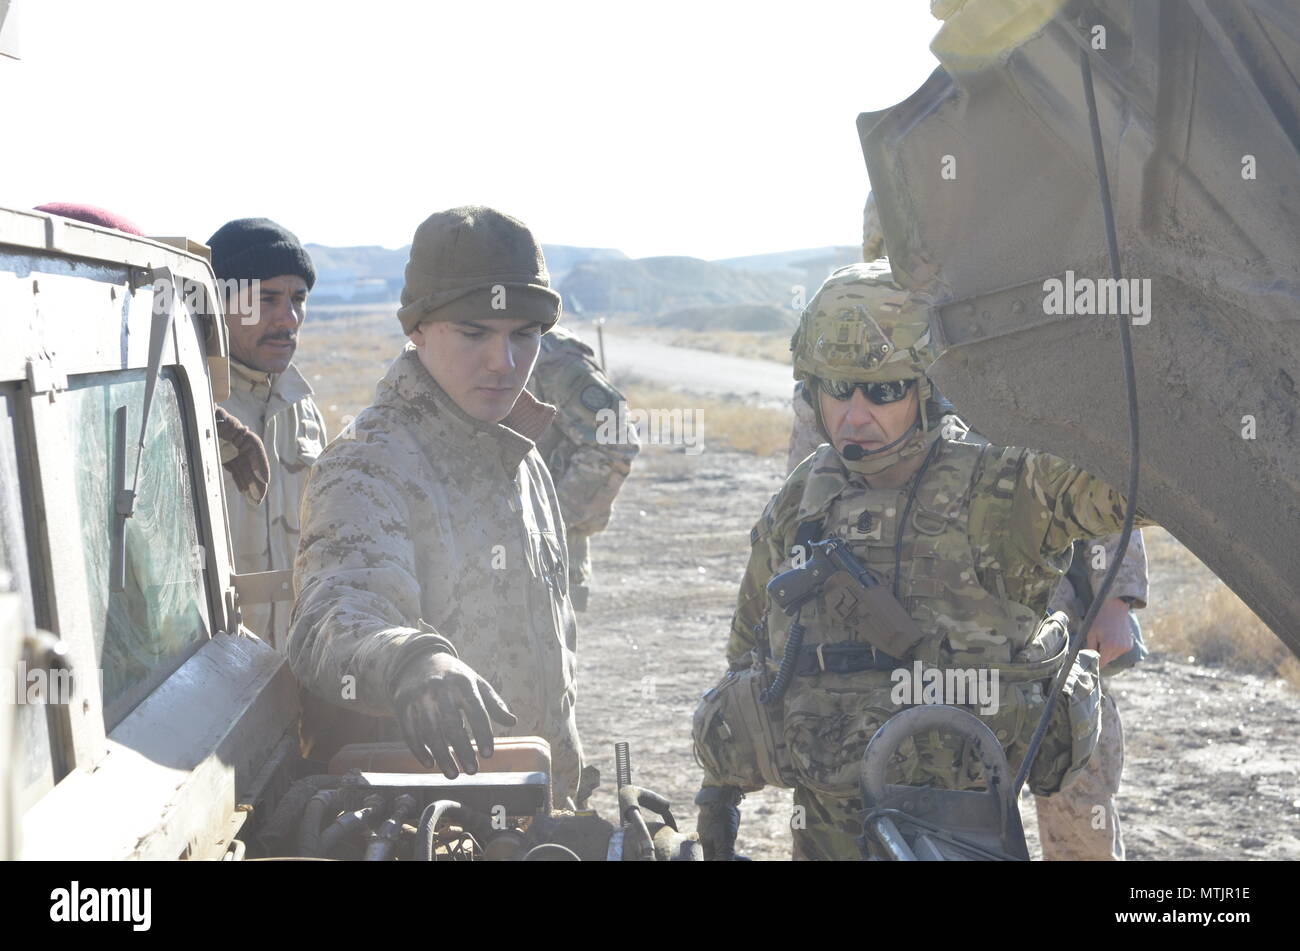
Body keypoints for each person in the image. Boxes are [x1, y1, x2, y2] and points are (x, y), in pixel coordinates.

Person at [695, 261, 1154, 860]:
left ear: (926, 386)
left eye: (883, 391)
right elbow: (748, 659)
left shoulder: (1005, 486)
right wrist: (719, 792)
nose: (855, 415)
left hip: (960, 829)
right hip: (828, 822)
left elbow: (1135, 484)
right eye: (837, 388)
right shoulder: (802, 500)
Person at [789, 372, 1151, 862]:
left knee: (1076, 795)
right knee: (913, 802)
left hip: (1045, 622)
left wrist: (1115, 599)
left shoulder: (1010, 335)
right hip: (901, 623)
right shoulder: (858, 351)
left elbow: (1095, 463)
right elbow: (810, 487)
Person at [287, 206, 583, 805]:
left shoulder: (520, 456)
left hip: (536, 810)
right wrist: (413, 661)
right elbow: (331, 619)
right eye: (475, 333)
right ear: (417, 329)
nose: (504, 363)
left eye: (523, 336)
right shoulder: (370, 464)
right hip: (433, 821)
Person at [209, 218, 325, 650]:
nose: (288, 318)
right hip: (210, 674)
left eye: (298, 299)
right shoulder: (186, 404)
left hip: (294, 666)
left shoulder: (303, 408)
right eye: (267, 299)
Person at [526, 324, 638, 612]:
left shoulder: (546, 353)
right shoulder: (459, 341)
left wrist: (545, 522)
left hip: (541, 555)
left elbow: (614, 437)